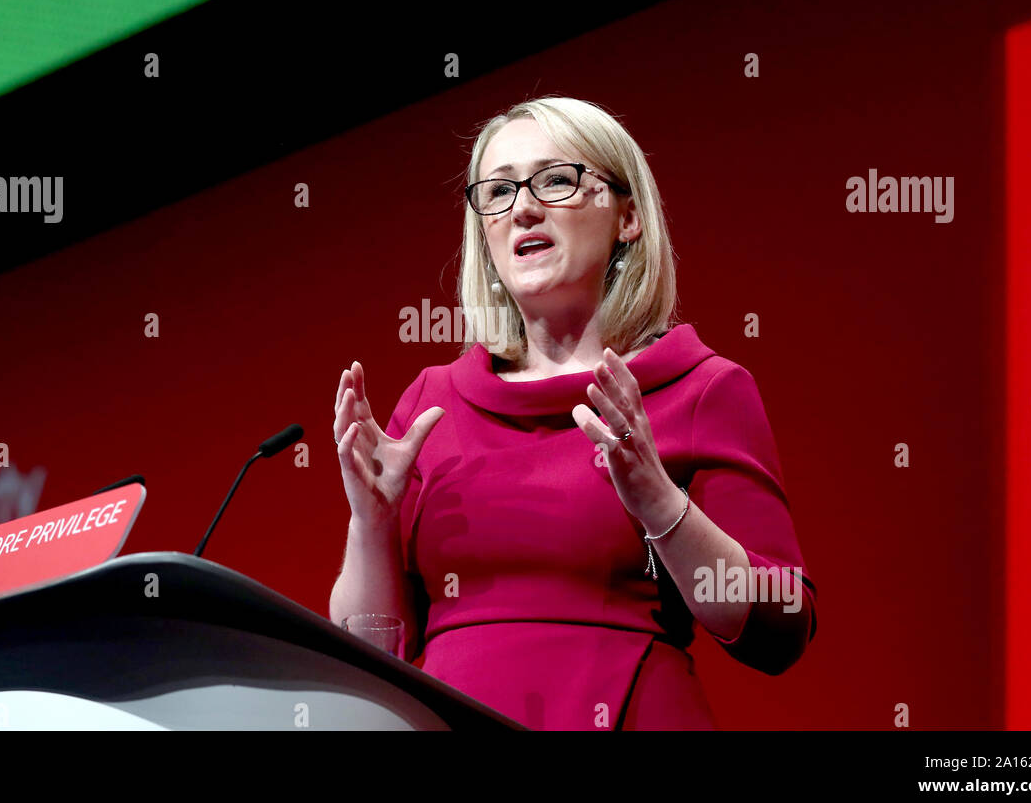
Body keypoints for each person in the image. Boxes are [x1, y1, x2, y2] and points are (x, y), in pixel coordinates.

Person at [328, 95, 816, 730]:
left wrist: (661, 505)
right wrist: (371, 524)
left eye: (555, 180)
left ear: (628, 217)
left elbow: (779, 627)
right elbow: (368, 658)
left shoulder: (701, 388)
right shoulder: (432, 403)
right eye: (497, 192)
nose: (522, 208)